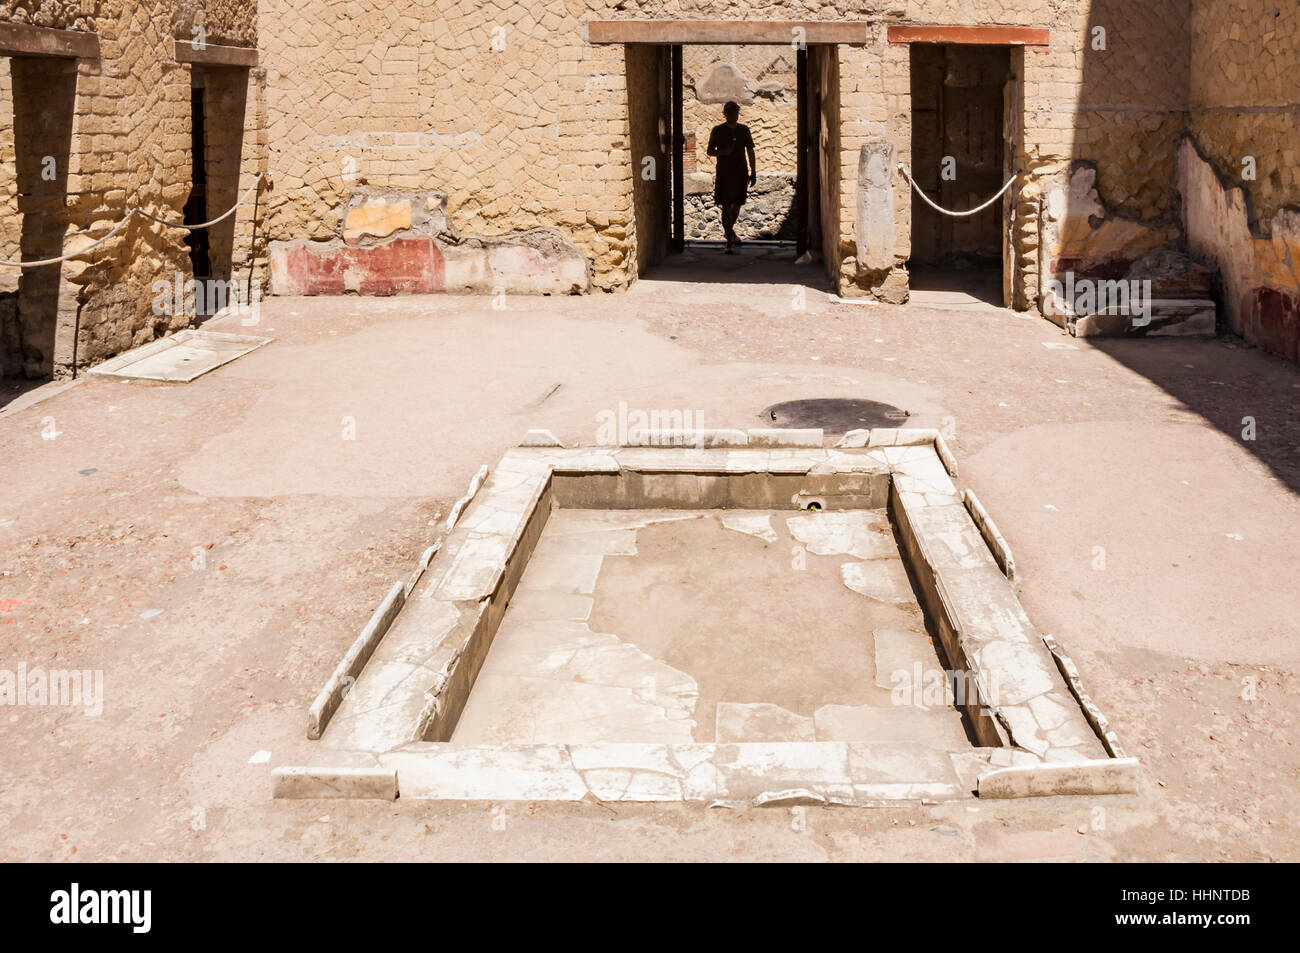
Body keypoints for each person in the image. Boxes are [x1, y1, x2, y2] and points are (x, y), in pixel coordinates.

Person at [706, 101, 756, 253]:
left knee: (738, 205)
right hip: (724, 172)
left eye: (736, 112)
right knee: (726, 205)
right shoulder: (718, 130)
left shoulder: (744, 130)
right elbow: (709, 151)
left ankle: (730, 232)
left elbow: (750, 151)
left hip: (741, 171)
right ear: (725, 113)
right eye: (731, 112)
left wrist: (753, 172)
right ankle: (729, 238)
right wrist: (722, 153)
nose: (734, 115)